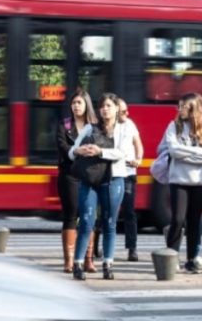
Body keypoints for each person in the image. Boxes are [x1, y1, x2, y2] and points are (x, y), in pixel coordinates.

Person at [69, 93, 132, 281]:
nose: (105, 110)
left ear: (117, 109)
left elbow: (122, 152)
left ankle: (107, 264)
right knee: (86, 222)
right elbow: (72, 151)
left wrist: (100, 151)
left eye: (109, 106)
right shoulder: (90, 128)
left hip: (113, 179)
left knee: (109, 223)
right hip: (90, 179)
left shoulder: (125, 128)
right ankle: (77, 264)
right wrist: (79, 150)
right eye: (102, 106)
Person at [163, 93, 202, 273]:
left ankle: (192, 259)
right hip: (179, 180)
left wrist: (185, 154)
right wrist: (197, 152)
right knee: (178, 219)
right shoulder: (173, 126)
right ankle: (171, 258)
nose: (179, 110)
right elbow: (173, 150)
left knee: (194, 220)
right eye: (179, 106)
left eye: (183, 106)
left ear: (194, 108)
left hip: (201, 182)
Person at [56, 89, 97, 273]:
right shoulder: (64, 125)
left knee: (89, 215)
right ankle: (69, 261)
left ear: (87, 104)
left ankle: (88, 260)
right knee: (71, 214)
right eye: (73, 103)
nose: (76, 106)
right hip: (69, 174)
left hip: (90, 175)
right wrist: (77, 151)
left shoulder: (95, 126)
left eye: (79, 102)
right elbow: (62, 146)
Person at [116, 97, 144, 262]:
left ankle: (132, 249)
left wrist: (138, 159)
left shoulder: (130, 124)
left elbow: (138, 144)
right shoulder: (108, 126)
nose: (127, 114)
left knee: (129, 211)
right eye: (123, 111)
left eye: (127, 111)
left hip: (128, 172)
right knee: (107, 212)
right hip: (112, 172)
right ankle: (97, 246)